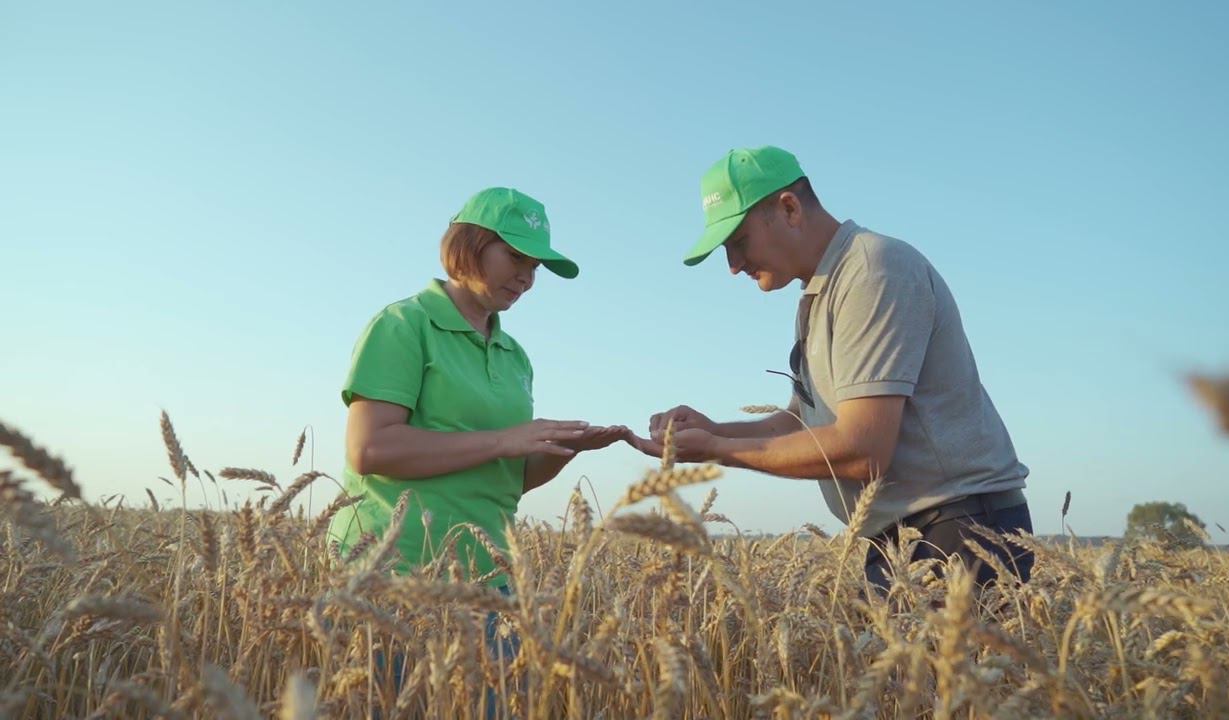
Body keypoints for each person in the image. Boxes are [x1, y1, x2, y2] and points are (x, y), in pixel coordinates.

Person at [630, 146, 1033, 588]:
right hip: (907, 539)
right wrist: (715, 430)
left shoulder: (874, 271)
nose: (733, 266)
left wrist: (714, 450)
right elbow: (798, 422)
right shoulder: (820, 292)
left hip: (961, 533)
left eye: (738, 242)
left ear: (788, 208)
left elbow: (862, 448)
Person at [327, 188, 627, 707]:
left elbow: (509, 477)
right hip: (393, 581)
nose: (527, 278)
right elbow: (370, 448)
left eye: (535, 266)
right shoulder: (403, 325)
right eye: (515, 257)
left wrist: (560, 449)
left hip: (488, 580)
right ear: (468, 245)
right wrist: (505, 439)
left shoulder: (515, 356)